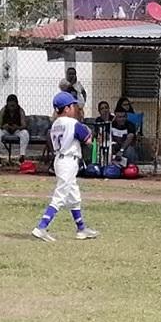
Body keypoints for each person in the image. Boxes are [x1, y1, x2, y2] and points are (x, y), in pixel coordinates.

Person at [30, 92, 99, 242]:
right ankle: (41, 226)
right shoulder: (72, 123)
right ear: (66, 108)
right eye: (72, 106)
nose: (74, 108)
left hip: (60, 160)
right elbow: (88, 140)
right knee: (60, 196)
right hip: (68, 161)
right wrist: (88, 130)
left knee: (74, 196)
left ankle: (81, 229)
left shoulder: (55, 124)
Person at [0, 93, 30, 163]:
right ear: (7, 104)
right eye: (10, 105)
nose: (12, 107)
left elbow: (24, 125)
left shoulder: (20, 111)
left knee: (25, 133)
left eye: (13, 105)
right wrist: (4, 126)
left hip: (17, 131)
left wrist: (17, 127)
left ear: (17, 104)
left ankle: (22, 156)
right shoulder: (3, 110)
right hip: (5, 131)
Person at [108, 100, 140, 165]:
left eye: (123, 117)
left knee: (130, 150)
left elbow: (130, 138)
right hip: (114, 147)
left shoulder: (130, 125)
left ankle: (130, 167)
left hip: (125, 148)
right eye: (119, 117)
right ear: (115, 117)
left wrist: (121, 150)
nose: (122, 119)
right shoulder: (110, 125)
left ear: (126, 117)